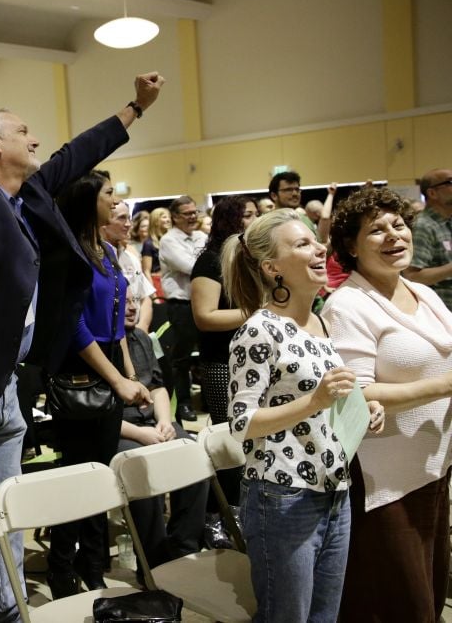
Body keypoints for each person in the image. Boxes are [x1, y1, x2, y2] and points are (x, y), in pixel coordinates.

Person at [0, 0, 163, 621]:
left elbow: (78, 152)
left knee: (9, 516)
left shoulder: (31, 194)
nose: (37, 139)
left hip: (5, 385)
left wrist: (135, 108)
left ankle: (7, 609)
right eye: (24, 132)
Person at [221, 208, 384, 623]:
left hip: (333, 487)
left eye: (316, 241)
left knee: (325, 616)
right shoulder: (259, 330)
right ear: (271, 267)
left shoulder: (319, 323)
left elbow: (322, 400)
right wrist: (315, 401)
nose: (319, 248)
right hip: (282, 494)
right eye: (302, 244)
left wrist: (361, 407)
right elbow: (241, 423)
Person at [323, 187, 452, 622]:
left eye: (398, 225)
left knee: (430, 590)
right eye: (376, 230)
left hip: (432, 465)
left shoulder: (422, 293)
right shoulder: (346, 306)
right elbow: (356, 395)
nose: (394, 235)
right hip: (384, 478)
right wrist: (444, 386)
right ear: (351, 247)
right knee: (398, 601)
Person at [46, 171, 150, 599]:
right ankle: (61, 565)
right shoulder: (69, 251)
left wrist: (129, 374)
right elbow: (75, 326)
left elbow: (116, 322)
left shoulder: (106, 250)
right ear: (88, 200)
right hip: (79, 368)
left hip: (108, 366)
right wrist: (116, 378)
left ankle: (92, 563)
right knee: (77, 478)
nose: (116, 201)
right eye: (109, 193)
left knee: (101, 476)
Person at [118, 294, 208, 573]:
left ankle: (184, 548)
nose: (132, 307)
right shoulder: (98, 347)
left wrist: (166, 421)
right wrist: (141, 434)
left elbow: (157, 387)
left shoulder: (142, 339)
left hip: (153, 422)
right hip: (121, 428)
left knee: (194, 454)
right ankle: (154, 563)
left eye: (135, 300)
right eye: (124, 302)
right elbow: (100, 415)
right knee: (142, 467)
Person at [191, 195, 257, 426]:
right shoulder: (210, 260)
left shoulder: (249, 258)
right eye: (248, 215)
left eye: (256, 214)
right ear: (230, 221)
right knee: (229, 431)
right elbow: (205, 316)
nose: (256, 220)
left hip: (253, 356)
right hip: (222, 360)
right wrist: (258, 312)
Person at [158, 195, 206, 422]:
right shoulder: (169, 240)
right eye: (187, 213)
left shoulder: (201, 236)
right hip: (181, 305)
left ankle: (208, 398)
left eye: (194, 212)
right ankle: (184, 404)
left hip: (205, 302)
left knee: (207, 354)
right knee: (182, 358)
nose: (193, 217)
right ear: (175, 217)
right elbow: (193, 267)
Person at [102, 199, 154, 332]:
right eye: (121, 218)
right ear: (103, 223)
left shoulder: (131, 258)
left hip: (135, 331)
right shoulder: (96, 259)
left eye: (129, 218)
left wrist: (142, 327)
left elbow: (145, 297)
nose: (128, 224)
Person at [404, 167, 452, 310]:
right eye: (450, 182)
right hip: (442, 312)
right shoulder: (423, 226)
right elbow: (412, 276)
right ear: (432, 193)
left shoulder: (447, 222)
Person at [268, 170, 317, 235]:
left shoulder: (305, 220)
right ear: (274, 195)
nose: (295, 194)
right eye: (288, 190)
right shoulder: (265, 223)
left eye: (297, 189)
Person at [141, 206, 171, 291]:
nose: (168, 220)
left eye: (169, 217)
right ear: (156, 221)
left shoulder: (172, 240)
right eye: (164, 217)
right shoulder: (149, 243)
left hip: (172, 281)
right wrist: (153, 292)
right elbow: (146, 271)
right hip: (158, 282)